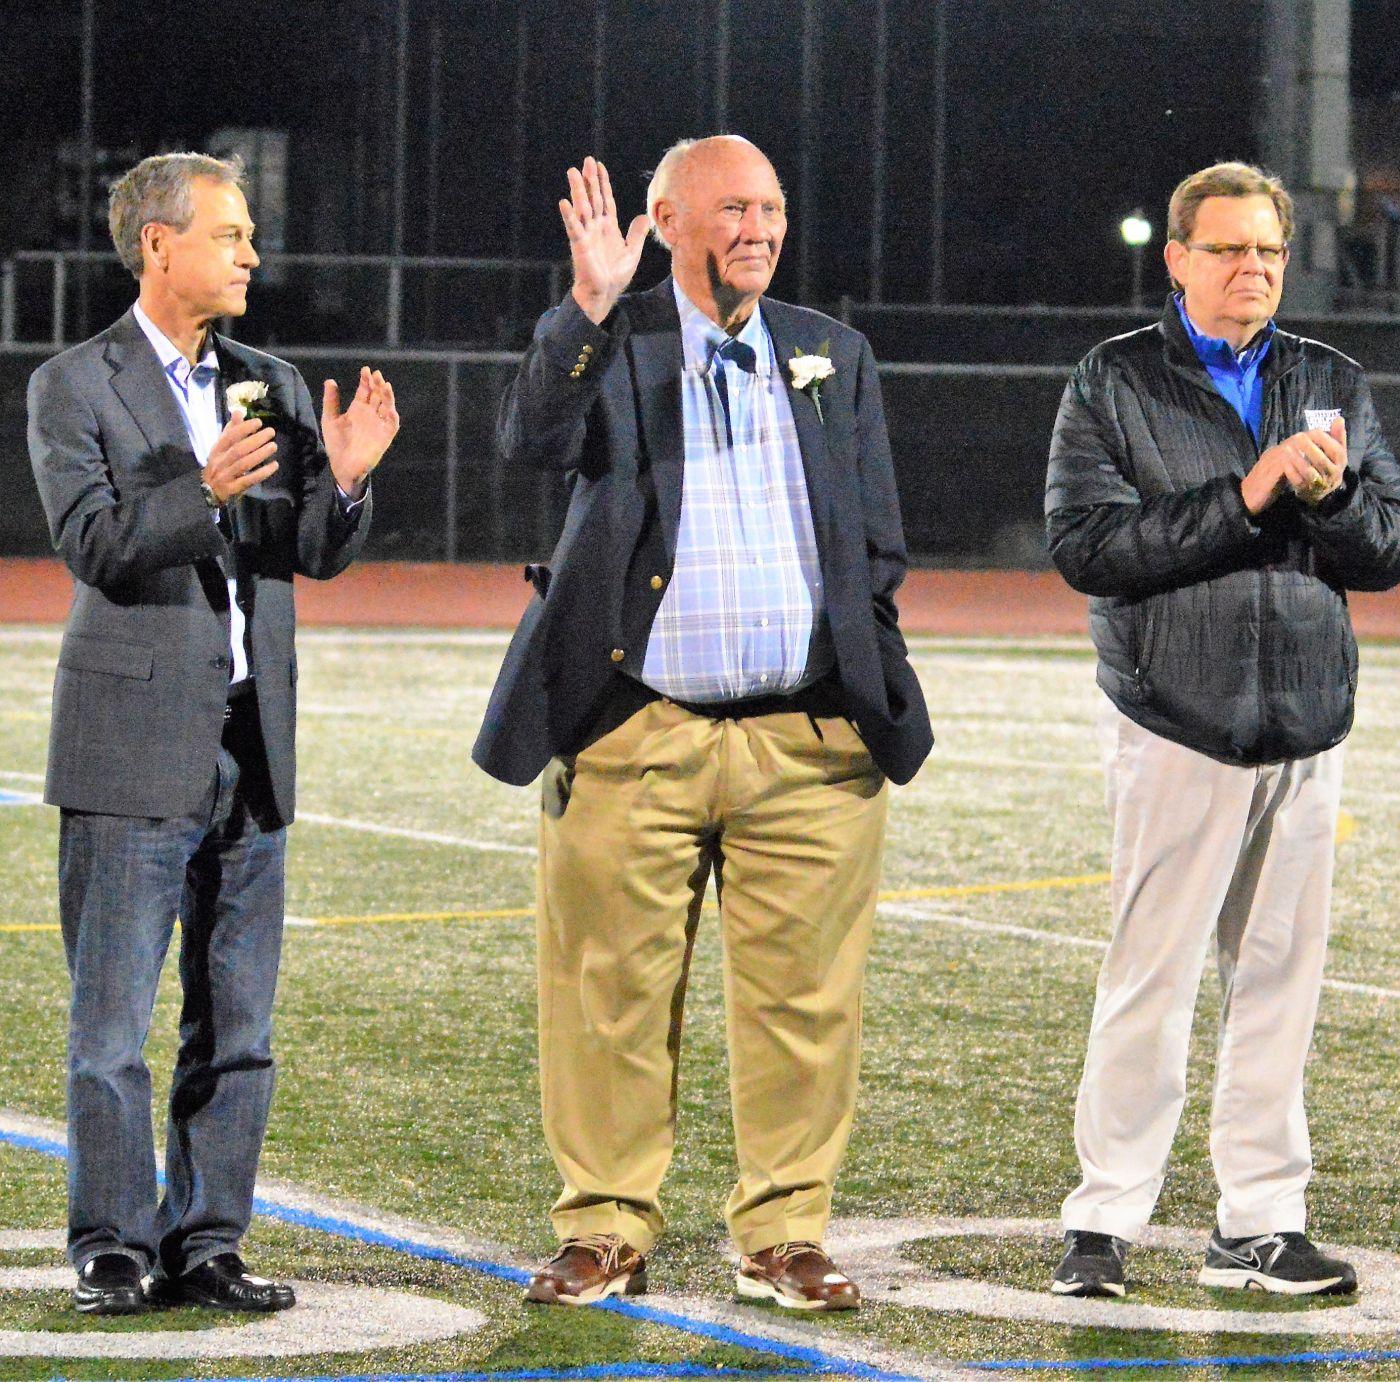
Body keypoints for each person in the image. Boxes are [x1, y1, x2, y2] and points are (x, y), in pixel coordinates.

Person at [473, 136, 931, 1310]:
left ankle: (783, 1230)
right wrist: (584, 303)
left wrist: (856, 663)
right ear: (665, 220)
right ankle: (605, 1225)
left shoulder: (832, 351)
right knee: (607, 994)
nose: (759, 228)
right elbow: (528, 437)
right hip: (638, 728)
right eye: (733, 208)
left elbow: (874, 538)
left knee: (804, 1002)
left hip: (807, 741)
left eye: (772, 207)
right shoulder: (614, 346)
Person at [1043, 162, 1400, 1299]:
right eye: (1225, 250)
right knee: (1147, 975)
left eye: (1265, 250)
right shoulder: (1111, 380)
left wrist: (1333, 501)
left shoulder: (1328, 377)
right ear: (1175, 259)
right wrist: (1250, 495)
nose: (1250, 269)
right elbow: (1087, 548)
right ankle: (1101, 1220)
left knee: (1277, 978)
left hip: (1304, 723)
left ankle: (1257, 1220)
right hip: (1175, 718)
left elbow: (1395, 545)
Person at [27, 152, 398, 1315]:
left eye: (249, 235)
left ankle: (209, 1240)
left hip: (253, 738)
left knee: (238, 1022)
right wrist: (206, 490)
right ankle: (110, 1241)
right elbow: (92, 543)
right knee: (112, 1029)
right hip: (129, 739)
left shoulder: (272, 380)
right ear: (157, 245)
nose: (252, 254)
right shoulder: (72, 385)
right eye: (231, 235)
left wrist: (340, 483)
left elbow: (312, 554)